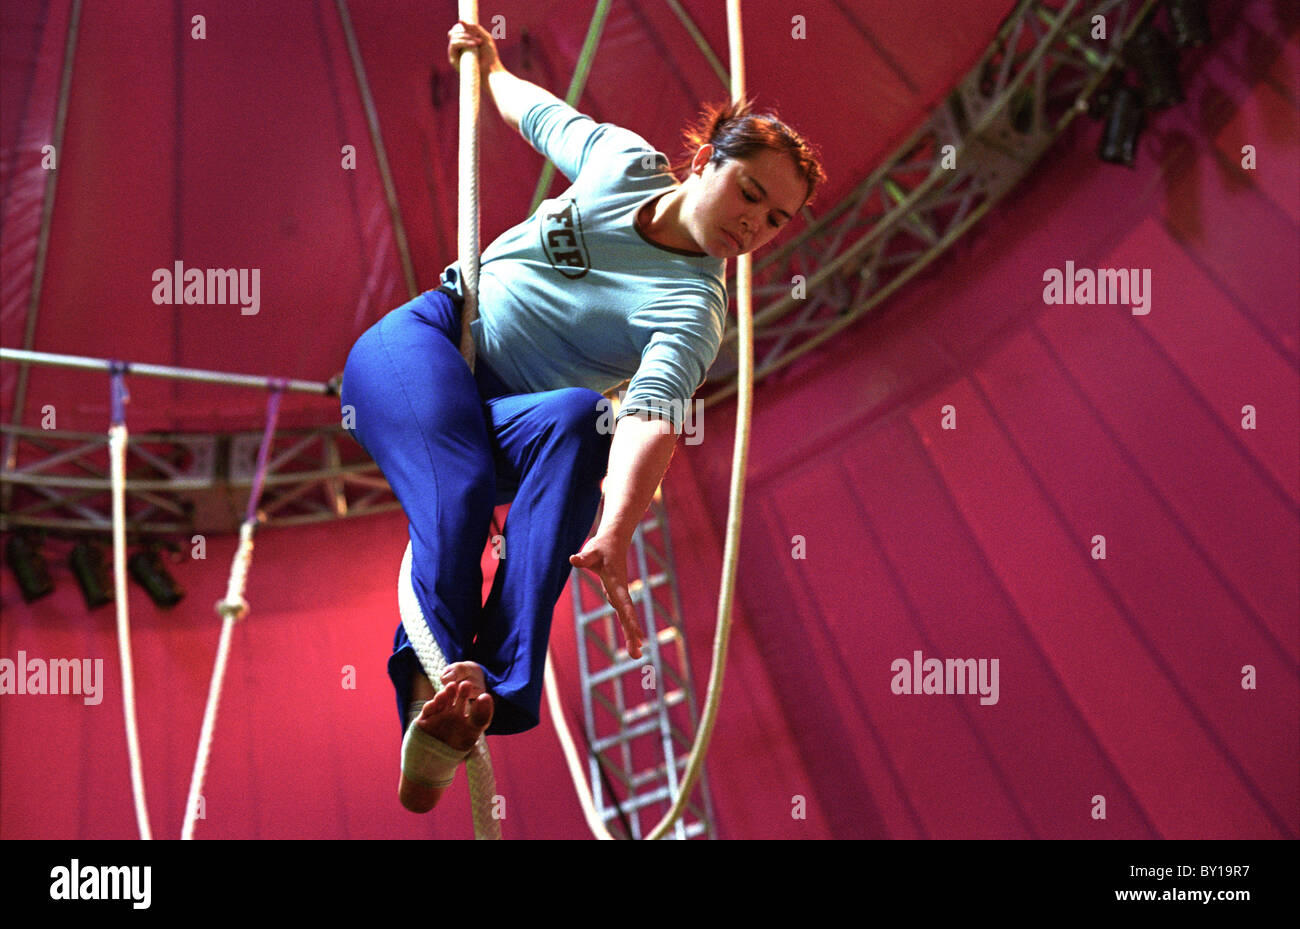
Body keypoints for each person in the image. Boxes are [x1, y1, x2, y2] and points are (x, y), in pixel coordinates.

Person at [340, 20, 825, 814]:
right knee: (459, 493)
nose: (755, 224)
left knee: (582, 418)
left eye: (776, 220)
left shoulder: (694, 310)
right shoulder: (625, 163)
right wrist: (489, 71)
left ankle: (479, 697)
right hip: (423, 350)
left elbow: (648, 420)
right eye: (750, 193)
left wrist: (616, 526)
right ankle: (426, 687)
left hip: (505, 421)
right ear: (706, 162)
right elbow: (540, 118)